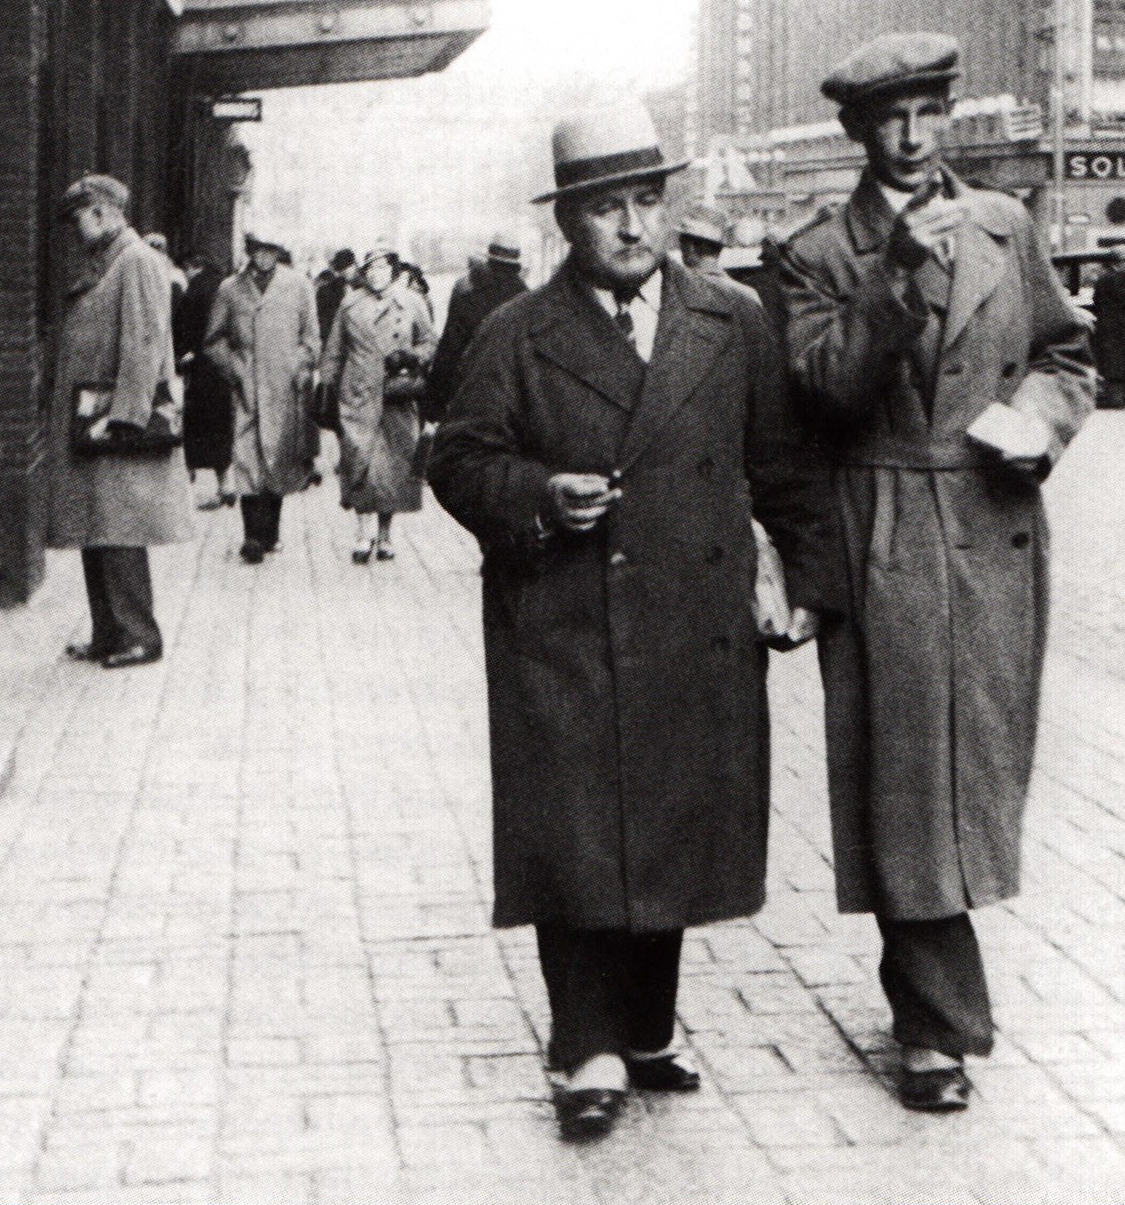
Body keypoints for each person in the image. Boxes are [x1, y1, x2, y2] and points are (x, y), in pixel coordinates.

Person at [428, 97, 841, 1142]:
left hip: (695, 624)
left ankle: (646, 1028)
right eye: (605, 208)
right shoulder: (519, 334)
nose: (630, 227)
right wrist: (534, 494)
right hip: (563, 623)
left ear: (670, 205)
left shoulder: (731, 320)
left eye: (646, 201)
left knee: (669, 829)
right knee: (575, 834)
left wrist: (810, 589)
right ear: (568, 223)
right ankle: (586, 1046)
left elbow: (783, 469)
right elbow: (459, 460)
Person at [775, 33, 1096, 1113]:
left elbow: (1065, 351)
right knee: (907, 778)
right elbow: (823, 389)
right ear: (857, 130)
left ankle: (933, 1004)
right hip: (889, 524)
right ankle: (935, 1028)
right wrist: (899, 271)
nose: (913, 138)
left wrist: (1041, 424)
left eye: (930, 114)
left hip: (993, 517)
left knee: (983, 768)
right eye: (890, 119)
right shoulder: (818, 252)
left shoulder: (1008, 222)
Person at [47, 174, 193, 669]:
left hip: (114, 426)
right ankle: (108, 632)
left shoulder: (137, 261)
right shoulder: (107, 261)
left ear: (103, 213)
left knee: (121, 529)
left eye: (78, 220)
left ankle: (140, 636)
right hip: (92, 424)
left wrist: (126, 416)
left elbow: (145, 344)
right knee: (98, 529)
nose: (74, 231)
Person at [204, 232, 320, 564]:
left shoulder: (299, 286)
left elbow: (312, 339)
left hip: (284, 389)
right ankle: (251, 537)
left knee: (277, 458)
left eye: (270, 250)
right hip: (247, 389)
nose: (263, 257)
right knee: (247, 458)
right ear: (249, 252)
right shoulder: (230, 288)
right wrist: (235, 369)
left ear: (279, 252)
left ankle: (271, 533)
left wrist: (297, 364)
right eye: (257, 250)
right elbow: (213, 340)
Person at [321, 244, 437, 563]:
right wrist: (326, 388)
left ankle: (385, 535)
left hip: (398, 395)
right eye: (371, 270)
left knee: (394, 468)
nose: (377, 275)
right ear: (364, 273)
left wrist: (411, 356)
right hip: (358, 393)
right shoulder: (350, 304)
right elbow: (334, 349)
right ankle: (362, 532)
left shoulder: (412, 302)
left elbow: (430, 342)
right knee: (359, 462)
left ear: (394, 272)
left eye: (383, 269)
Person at [423, 232, 529, 425]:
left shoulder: (469, 299)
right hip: (516, 405)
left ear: (489, 261)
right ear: (517, 264)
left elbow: (449, 353)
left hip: (474, 398)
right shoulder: (530, 303)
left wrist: (434, 405)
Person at [175, 252, 234, 509]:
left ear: (192, 267)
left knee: (193, 430)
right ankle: (225, 485)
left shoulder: (194, 292)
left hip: (200, 371)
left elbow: (181, 329)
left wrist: (181, 355)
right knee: (222, 427)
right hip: (224, 370)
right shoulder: (226, 286)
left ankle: (186, 491)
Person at [1093, 244, 1125, 408]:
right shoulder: (1119, 278)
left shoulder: (1103, 279)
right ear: (1117, 263)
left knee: (1116, 372)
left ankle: (1121, 404)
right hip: (1120, 331)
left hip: (1110, 331)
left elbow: (1097, 302)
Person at [676, 202, 759, 304]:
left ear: (690, 246)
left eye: (681, 240)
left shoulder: (677, 294)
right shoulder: (748, 295)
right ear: (719, 247)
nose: (680, 247)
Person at [316, 247, 357, 348]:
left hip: (349, 339)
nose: (349, 271)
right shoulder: (326, 290)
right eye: (345, 268)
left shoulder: (362, 288)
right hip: (337, 340)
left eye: (351, 267)